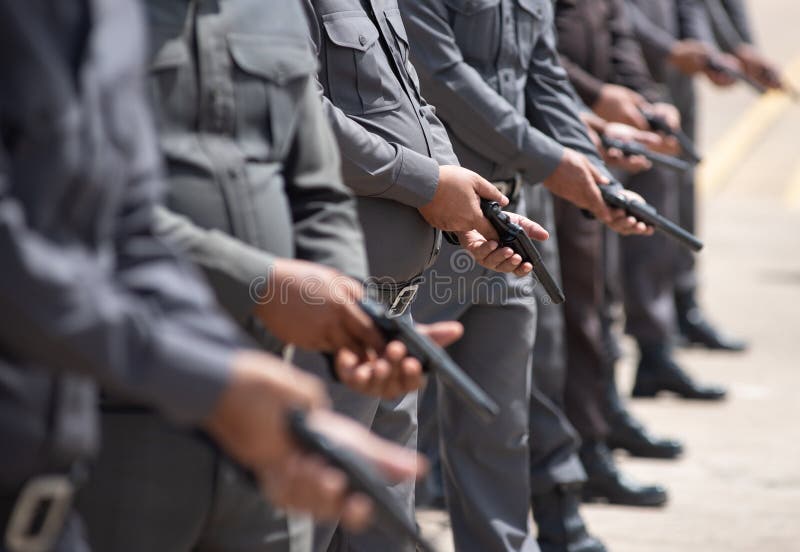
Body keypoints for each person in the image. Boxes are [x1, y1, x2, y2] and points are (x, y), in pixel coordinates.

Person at [0, 1, 424, 551]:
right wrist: (255, 296)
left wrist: (340, 316)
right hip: (118, 414)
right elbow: (49, 240)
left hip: (244, 405)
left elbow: (129, 221)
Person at [399, 0, 654, 550]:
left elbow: (544, 74)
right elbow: (444, 80)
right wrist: (552, 162)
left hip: (512, 219)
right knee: (384, 418)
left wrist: (593, 172)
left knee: (498, 427)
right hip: (428, 221)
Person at [303, 1, 549, 549]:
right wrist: (426, 185)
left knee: (386, 530)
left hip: (396, 306)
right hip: (329, 308)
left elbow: (412, 105)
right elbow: (305, 115)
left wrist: (467, 215)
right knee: (300, 529)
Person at [624, 0, 749, 354]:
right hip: (626, 73)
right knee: (624, 219)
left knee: (676, 199)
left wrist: (702, 48)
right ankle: (646, 342)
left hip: (674, 76)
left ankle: (679, 311)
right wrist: (670, 49)